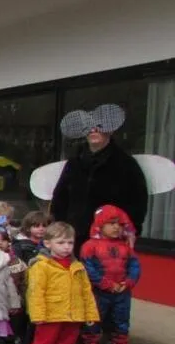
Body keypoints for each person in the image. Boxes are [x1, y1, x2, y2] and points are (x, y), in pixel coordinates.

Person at [51, 104, 148, 251]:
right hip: (73, 238)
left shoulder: (125, 164)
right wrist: (59, 227)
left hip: (109, 239)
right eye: (89, 126)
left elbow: (138, 201)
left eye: (99, 126)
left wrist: (130, 229)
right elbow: (60, 198)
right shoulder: (74, 163)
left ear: (111, 130)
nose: (93, 130)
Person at [23, 222, 100, 344]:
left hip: (73, 315)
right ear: (48, 243)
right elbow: (36, 292)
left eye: (70, 242)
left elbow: (86, 292)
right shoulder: (41, 265)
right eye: (61, 242)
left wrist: (90, 315)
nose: (66, 247)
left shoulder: (78, 266)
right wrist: (37, 315)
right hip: (50, 315)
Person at [78, 205, 142, 344]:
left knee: (122, 320)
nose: (116, 227)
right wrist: (106, 284)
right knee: (94, 319)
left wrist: (129, 282)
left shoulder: (126, 246)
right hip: (98, 292)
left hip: (122, 292)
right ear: (100, 224)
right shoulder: (89, 246)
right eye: (112, 223)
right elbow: (88, 269)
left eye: (120, 224)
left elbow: (135, 266)